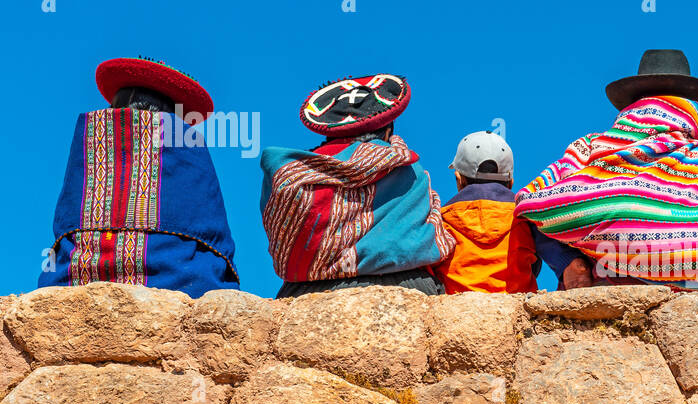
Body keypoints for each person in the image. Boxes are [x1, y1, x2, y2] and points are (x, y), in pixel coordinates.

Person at [515, 49, 698, 292]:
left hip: (604, 284)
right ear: (691, 109)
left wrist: (566, 262)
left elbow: (533, 201)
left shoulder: (590, 147)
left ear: (633, 106)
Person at [39, 57, 239, 298]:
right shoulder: (192, 156)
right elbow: (212, 237)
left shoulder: (89, 146)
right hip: (185, 281)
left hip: (71, 283)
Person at [259, 74, 455, 298]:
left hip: (305, 291)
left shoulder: (288, 174)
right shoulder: (409, 170)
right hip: (405, 286)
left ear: (329, 130)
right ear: (388, 130)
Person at [434, 131, 539, 293]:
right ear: (510, 183)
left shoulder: (440, 218)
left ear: (459, 179)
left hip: (456, 301)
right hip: (514, 298)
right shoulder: (526, 216)